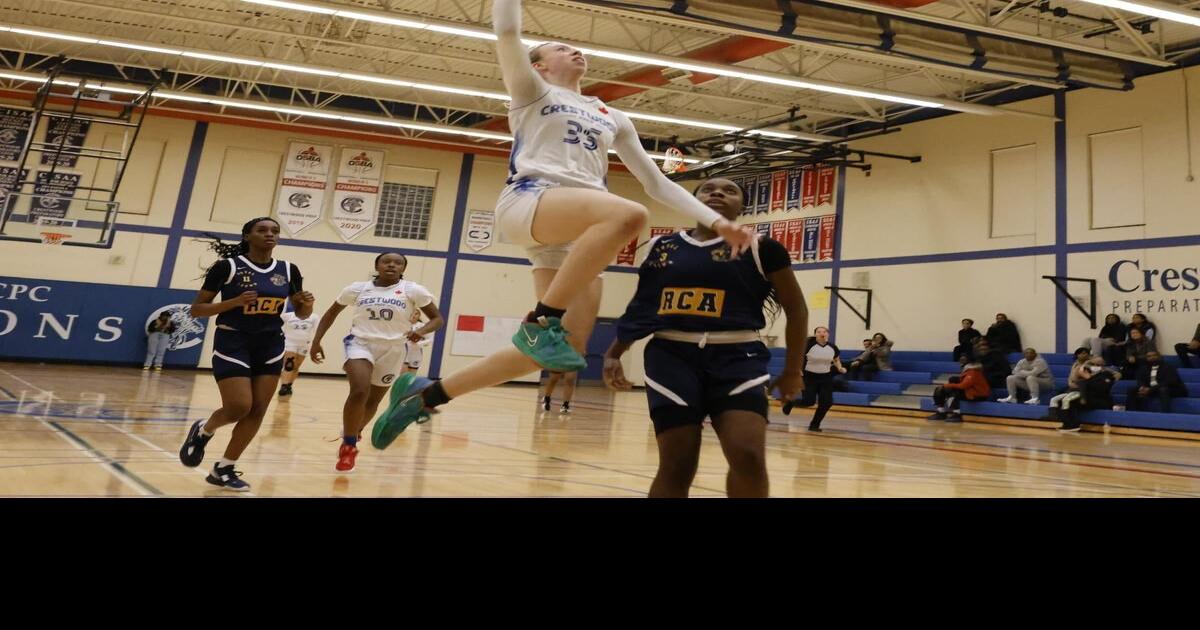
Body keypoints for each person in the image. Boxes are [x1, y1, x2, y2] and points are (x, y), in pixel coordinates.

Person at [368, 0, 755, 439]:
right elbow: (509, 33)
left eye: (577, 48)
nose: (575, 51)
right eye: (562, 47)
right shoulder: (533, 90)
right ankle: (540, 320)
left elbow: (657, 183)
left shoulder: (614, 115)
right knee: (629, 215)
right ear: (540, 64)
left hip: (581, 227)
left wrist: (718, 222)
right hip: (532, 200)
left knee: (557, 354)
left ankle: (424, 395)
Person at [600, 176, 808, 498]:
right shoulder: (661, 247)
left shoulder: (762, 247)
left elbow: (796, 309)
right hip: (672, 356)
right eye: (708, 189)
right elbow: (644, 306)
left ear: (743, 205)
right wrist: (615, 351)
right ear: (691, 200)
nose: (718, 194)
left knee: (748, 456)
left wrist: (793, 370)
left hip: (739, 357)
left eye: (730, 191)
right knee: (677, 463)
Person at [178, 217, 314, 491]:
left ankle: (224, 468)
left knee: (258, 410)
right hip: (233, 340)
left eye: (274, 231)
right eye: (262, 230)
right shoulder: (226, 267)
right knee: (239, 406)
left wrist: (307, 306)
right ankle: (204, 429)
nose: (270, 235)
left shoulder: (289, 269)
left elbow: (300, 313)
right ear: (247, 235)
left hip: (270, 343)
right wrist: (235, 302)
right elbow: (197, 310)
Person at [309, 252, 444, 473]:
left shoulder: (413, 291)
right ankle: (348, 447)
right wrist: (316, 341)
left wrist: (421, 331)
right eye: (386, 261)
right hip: (360, 343)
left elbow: (437, 319)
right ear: (377, 266)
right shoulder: (357, 289)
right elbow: (330, 314)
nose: (392, 265)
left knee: (373, 400)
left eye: (398, 262)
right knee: (359, 391)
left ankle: (355, 430)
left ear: (403, 268)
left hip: (393, 349)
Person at [782, 326, 845, 432]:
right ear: (815, 334)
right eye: (819, 331)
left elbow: (836, 359)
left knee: (826, 403)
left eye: (824, 331)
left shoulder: (833, 347)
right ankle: (791, 403)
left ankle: (814, 425)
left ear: (828, 334)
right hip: (809, 378)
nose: (822, 333)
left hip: (826, 378)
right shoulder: (808, 346)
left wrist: (840, 367)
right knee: (808, 402)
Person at [1050, 358, 1119, 432]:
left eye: (1098, 365)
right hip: (1087, 397)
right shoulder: (1088, 373)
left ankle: (1073, 424)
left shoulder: (1106, 375)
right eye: (1093, 364)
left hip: (1099, 400)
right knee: (1061, 400)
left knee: (1070, 401)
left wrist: (1088, 378)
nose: (1095, 366)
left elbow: (1100, 389)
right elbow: (1076, 382)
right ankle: (1066, 423)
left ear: (1103, 366)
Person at [278, 308, 319, 399]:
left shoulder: (314, 317)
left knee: (296, 366)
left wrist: (317, 344)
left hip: (304, 344)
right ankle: (283, 386)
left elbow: (318, 331)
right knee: (289, 365)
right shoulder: (288, 315)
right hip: (290, 343)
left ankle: (289, 385)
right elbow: (277, 323)